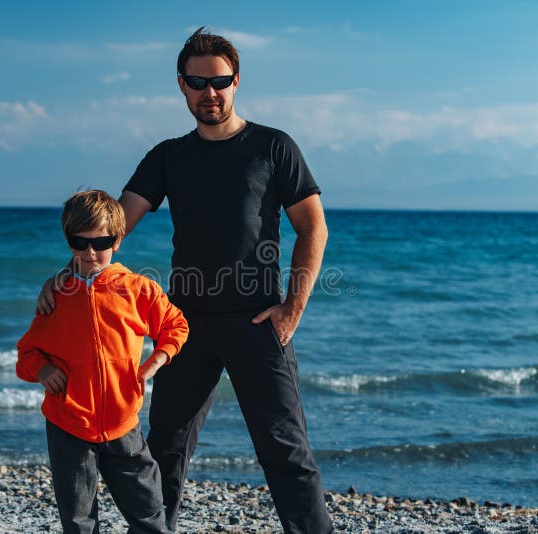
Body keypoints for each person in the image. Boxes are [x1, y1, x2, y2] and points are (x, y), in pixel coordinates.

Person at [37, 28, 332, 533]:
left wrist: (291, 310)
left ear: (236, 81)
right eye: (197, 82)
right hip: (184, 324)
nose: (209, 92)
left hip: (256, 320)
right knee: (165, 448)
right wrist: (66, 277)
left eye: (219, 81)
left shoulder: (273, 147)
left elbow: (313, 227)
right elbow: (113, 228)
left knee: (284, 449)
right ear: (182, 85)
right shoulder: (168, 157)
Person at [17, 190, 189, 533]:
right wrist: (43, 369)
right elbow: (27, 354)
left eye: (101, 242)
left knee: (149, 511)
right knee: (78, 519)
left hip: (123, 420)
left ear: (118, 241)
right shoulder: (57, 297)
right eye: (80, 242)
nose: (90, 252)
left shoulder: (138, 289)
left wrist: (155, 361)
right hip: (69, 423)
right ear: (69, 242)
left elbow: (176, 326)